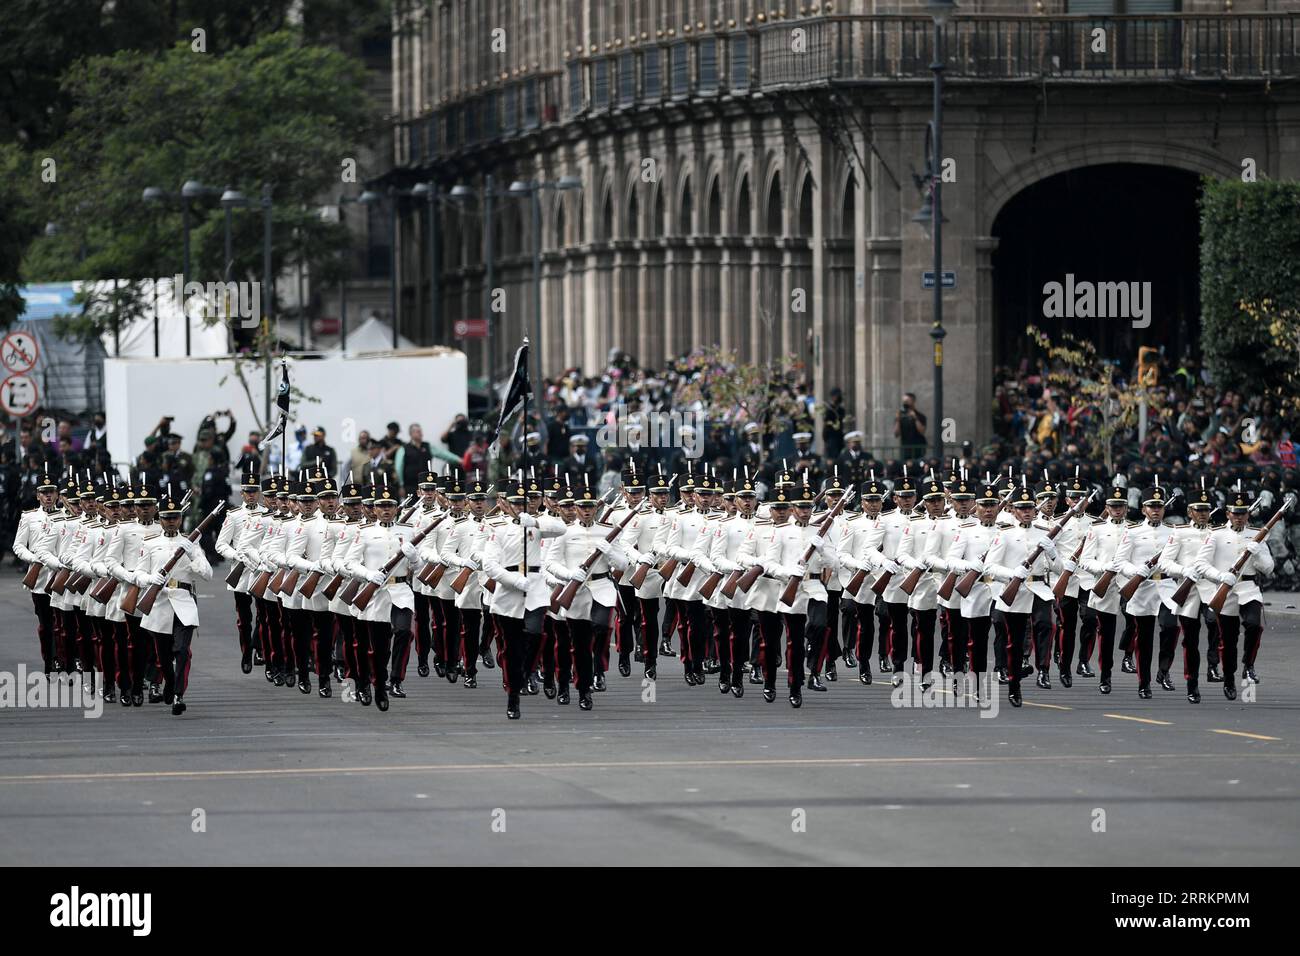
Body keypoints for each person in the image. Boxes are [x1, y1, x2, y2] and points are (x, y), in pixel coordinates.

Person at [1194, 483, 1274, 700]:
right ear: (1228, 513)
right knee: (1227, 641)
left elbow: (1268, 569)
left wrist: (1257, 554)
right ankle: (1229, 677)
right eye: (1235, 513)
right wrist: (1220, 576)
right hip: (1225, 589)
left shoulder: (1257, 535)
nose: (1239, 517)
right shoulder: (1216, 535)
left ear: (1249, 514)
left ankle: (1249, 664)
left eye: (1243, 513)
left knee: (1254, 625)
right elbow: (1200, 564)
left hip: (1249, 588)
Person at [135, 491, 213, 716]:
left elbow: (207, 574)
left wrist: (191, 555)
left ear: (180, 518)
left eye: (174, 517)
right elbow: (139, 573)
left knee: (181, 650)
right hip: (159, 603)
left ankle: (179, 694)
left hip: (183, 602)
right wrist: (151, 579)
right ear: (160, 519)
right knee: (163, 656)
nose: (170, 522)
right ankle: (169, 682)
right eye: (166, 517)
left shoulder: (190, 543)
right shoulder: (150, 544)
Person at [397, 424, 431, 494]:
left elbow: (443, 454)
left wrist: (459, 460)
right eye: (418, 432)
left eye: (421, 431)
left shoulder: (427, 446)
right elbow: (398, 468)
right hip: (410, 486)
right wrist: (401, 485)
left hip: (426, 485)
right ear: (411, 434)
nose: (421, 434)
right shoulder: (403, 448)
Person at [895, 392, 927, 460]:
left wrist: (915, 418)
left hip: (918, 448)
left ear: (913, 401)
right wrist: (898, 420)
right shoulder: (901, 416)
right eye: (904, 401)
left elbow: (922, 431)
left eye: (907, 401)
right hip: (905, 449)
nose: (905, 403)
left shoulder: (920, 416)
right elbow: (896, 434)